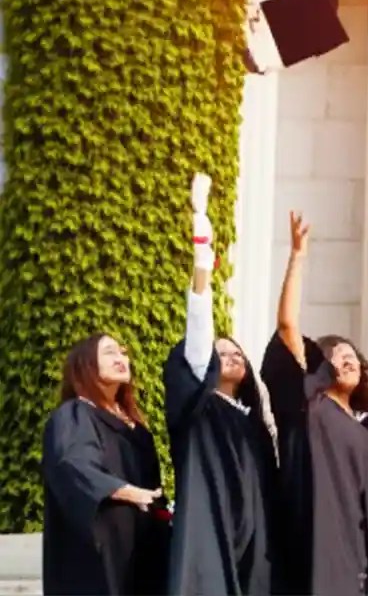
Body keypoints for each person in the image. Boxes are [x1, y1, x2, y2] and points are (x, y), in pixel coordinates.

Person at [261, 211, 368, 595]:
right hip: (315, 560)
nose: (347, 357)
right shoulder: (309, 407)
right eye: (336, 353)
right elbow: (288, 326)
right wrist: (298, 256)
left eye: (353, 354)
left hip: (362, 569)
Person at [163, 174, 277, 595]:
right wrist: (201, 265)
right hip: (210, 531)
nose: (229, 357)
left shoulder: (253, 423)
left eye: (236, 353)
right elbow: (197, 339)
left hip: (253, 544)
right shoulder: (197, 410)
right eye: (220, 353)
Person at [42, 333, 169, 595]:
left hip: (142, 556)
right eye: (110, 352)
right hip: (100, 560)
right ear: (86, 364)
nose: (121, 358)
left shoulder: (138, 430)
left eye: (123, 352)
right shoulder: (75, 414)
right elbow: (73, 466)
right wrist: (127, 491)